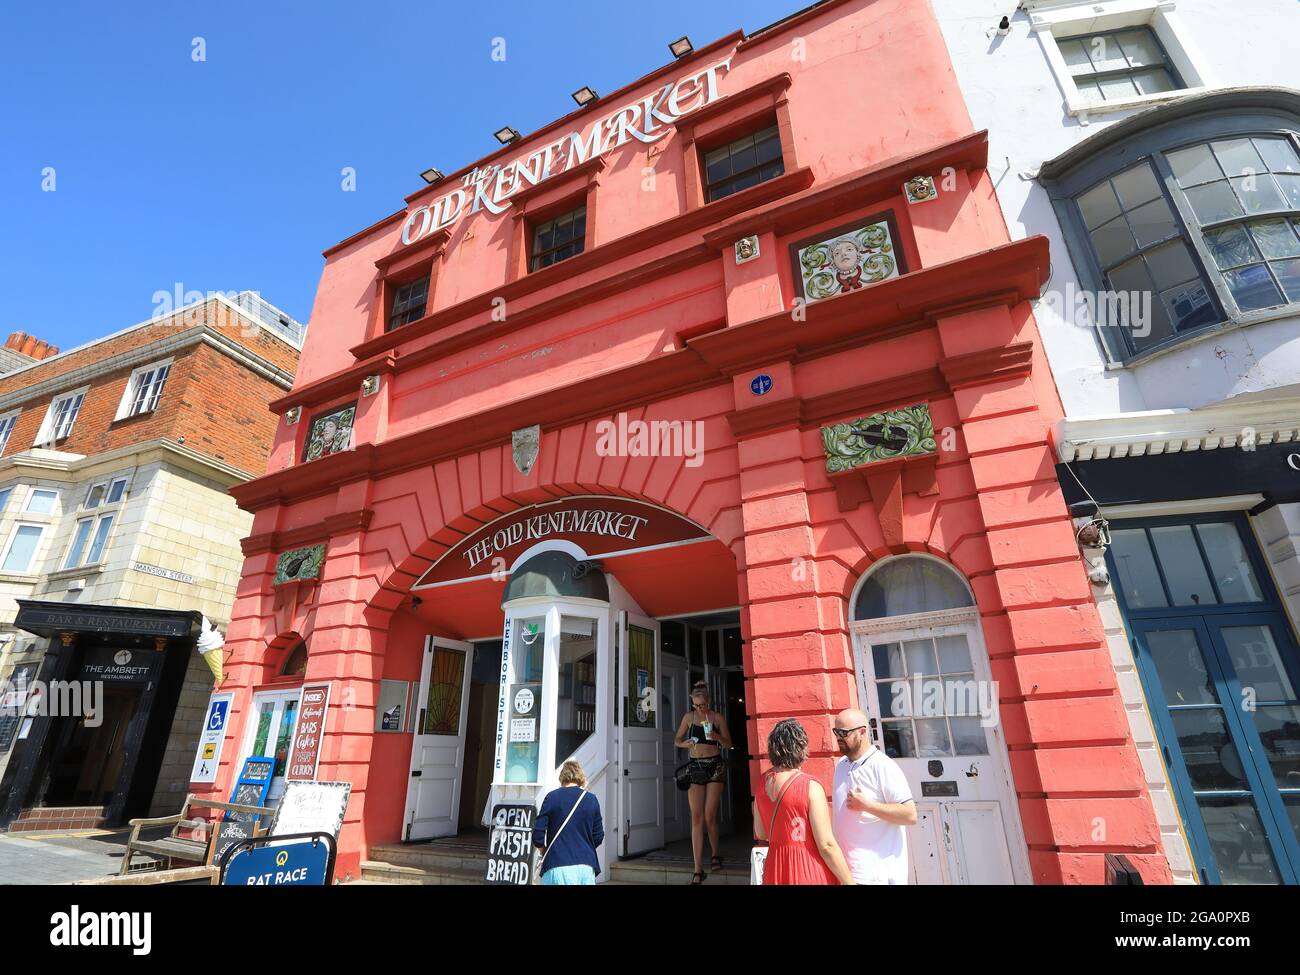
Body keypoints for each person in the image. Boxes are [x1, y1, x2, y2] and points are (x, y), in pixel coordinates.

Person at [753, 717, 855, 885]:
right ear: (800, 747)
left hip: (775, 868)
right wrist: (848, 881)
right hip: (807, 868)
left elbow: (761, 832)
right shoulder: (809, 785)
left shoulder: (762, 782)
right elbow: (826, 845)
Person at [830, 708, 917, 884]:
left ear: (862, 732)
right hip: (847, 874)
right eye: (836, 732)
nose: (838, 737)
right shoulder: (841, 765)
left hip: (876, 876)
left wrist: (868, 805)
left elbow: (910, 815)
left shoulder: (883, 766)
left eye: (843, 733)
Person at [673, 680, 732, 884]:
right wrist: (685, 743)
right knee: (696, 817)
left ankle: (715, 854)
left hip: (715, 765)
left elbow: (729, 744)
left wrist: (715, 735)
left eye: (703, 705)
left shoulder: (717, 717)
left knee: (709, 815)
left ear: (709, 702)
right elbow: (676, 740)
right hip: (695, 765)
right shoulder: (689, 718)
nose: (700, 709)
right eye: (696, 705)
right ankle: (698, 869)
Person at [533, 760, 603, 885]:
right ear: (580, 777)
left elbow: (537, 836)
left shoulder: (552, 797)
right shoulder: (591, 799)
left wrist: (544, 850)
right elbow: (598, 836)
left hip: (557, 863)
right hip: (586, 866)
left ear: (562, 777)